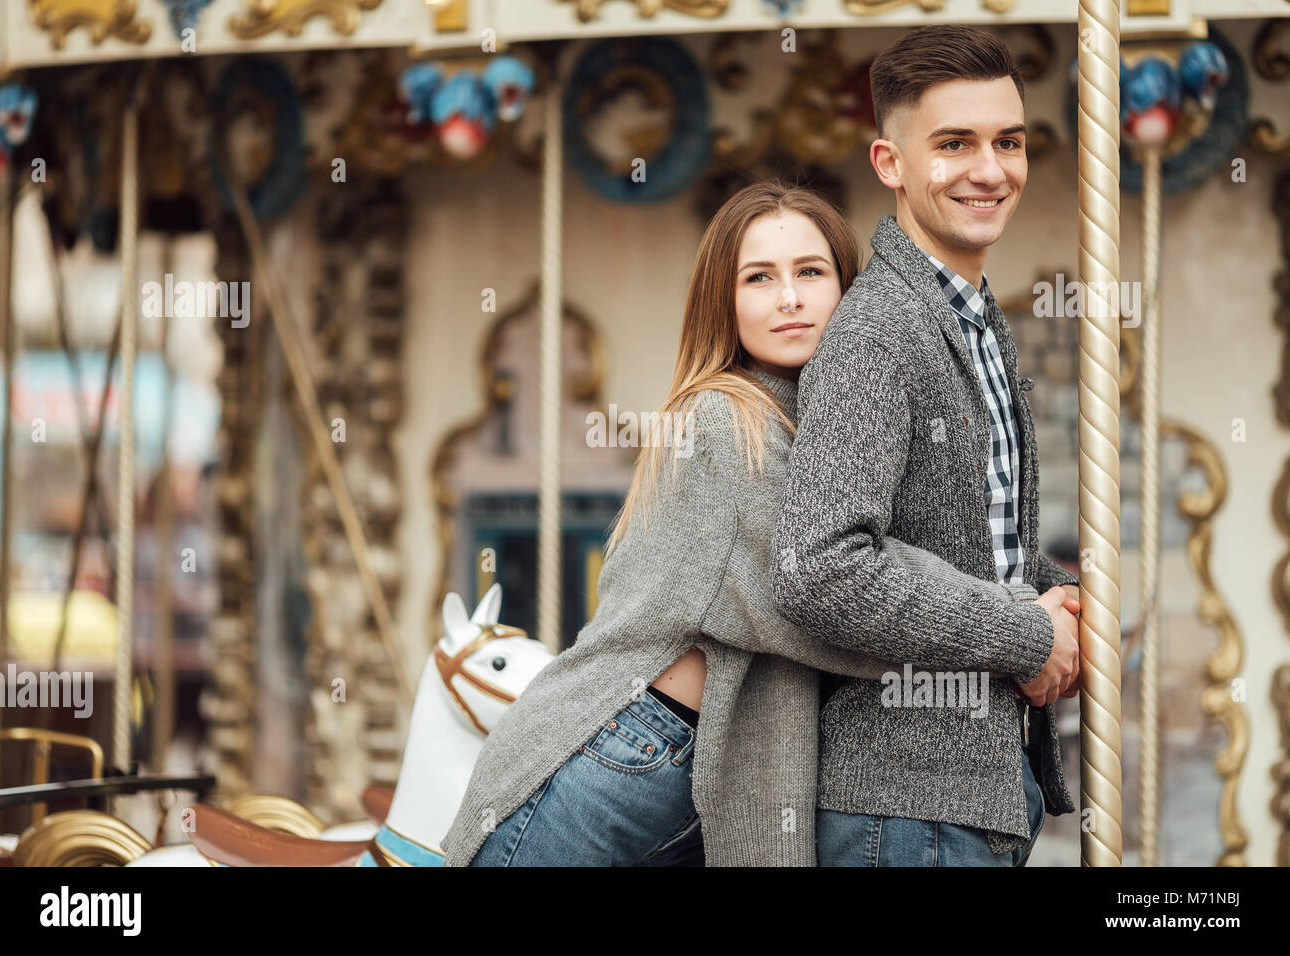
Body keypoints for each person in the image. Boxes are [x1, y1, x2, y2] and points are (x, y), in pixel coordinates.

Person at [441, 179, 1064, 867]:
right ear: (725, 301)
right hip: (626, 747)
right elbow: (832, 592)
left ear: (847, 289)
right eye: (759, 278)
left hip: (698, 764)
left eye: (811, 272)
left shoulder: (823, 416)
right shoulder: (724, 420)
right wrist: (1022, 630)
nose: (789, 298)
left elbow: (919, 547)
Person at [772, 25, 1083, 867]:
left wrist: (1070, 608)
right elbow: (820, 566)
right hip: (905, 809)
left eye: (1008, 142)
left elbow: (982, 551)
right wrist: (1028, 636)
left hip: (973, 796)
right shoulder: (879, 329)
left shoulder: (975, 320)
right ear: (891, 163)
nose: (990, 170)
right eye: (955, 144)